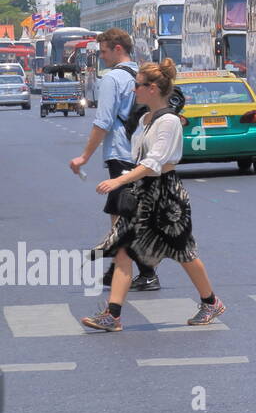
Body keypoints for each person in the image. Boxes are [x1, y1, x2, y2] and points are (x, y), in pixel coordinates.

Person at [80, 59, 226, 331]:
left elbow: (153, 163)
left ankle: (211, 301)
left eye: (138, 85)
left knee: (183, 252)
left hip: (166, 196)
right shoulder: (146, 119)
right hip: (144, 192)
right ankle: (112, 315)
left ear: (154, 88)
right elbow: (139, 159)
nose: (134, 90)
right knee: (123, 250)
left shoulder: (169, 121)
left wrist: (118, 181)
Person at [68, 28, 159, 292]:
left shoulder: (112, 79)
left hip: (121, 154)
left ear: (118, 48)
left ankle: (141, 271)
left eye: (104, 52)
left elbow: (103, 121)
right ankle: (125, 271)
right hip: (142, 153)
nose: (102, 57)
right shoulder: (142, 75)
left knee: (121, 217)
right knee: (125, 214)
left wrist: (84, 156)